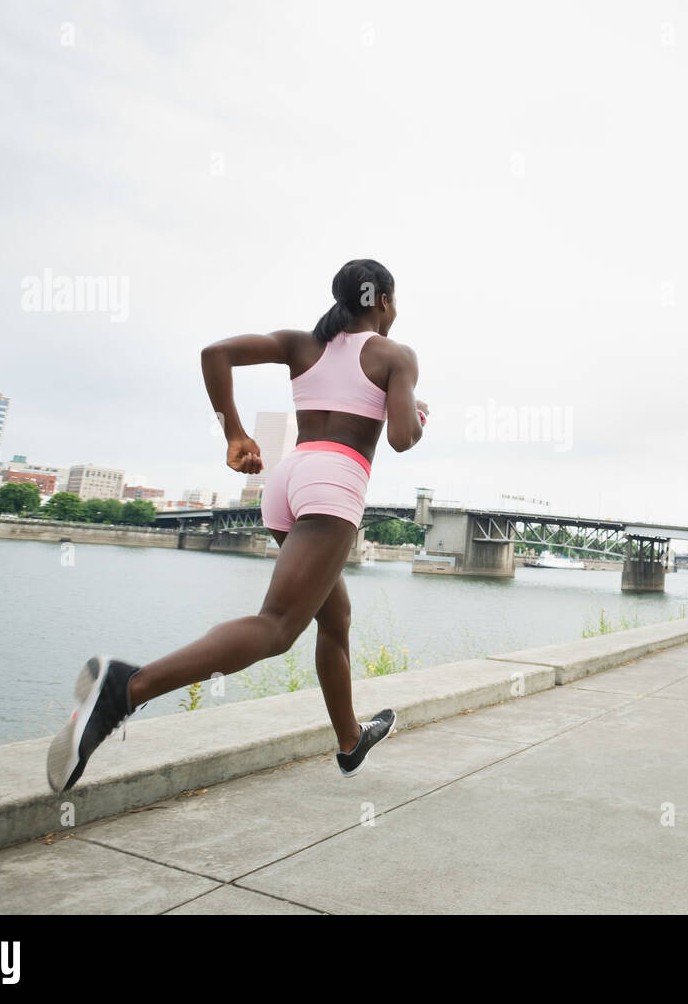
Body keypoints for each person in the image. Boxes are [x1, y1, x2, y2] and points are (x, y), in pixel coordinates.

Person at [46, 259, 427, 792]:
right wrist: (410, 406)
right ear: (383, 301)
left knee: (334, 616)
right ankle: (126, 689)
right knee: (276, 628)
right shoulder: (395, 355)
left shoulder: (302, 343)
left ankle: (349, 741)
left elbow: (215, 354)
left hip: (287, 480)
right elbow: (404, 439)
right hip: (333, 482)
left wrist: (235, 433)